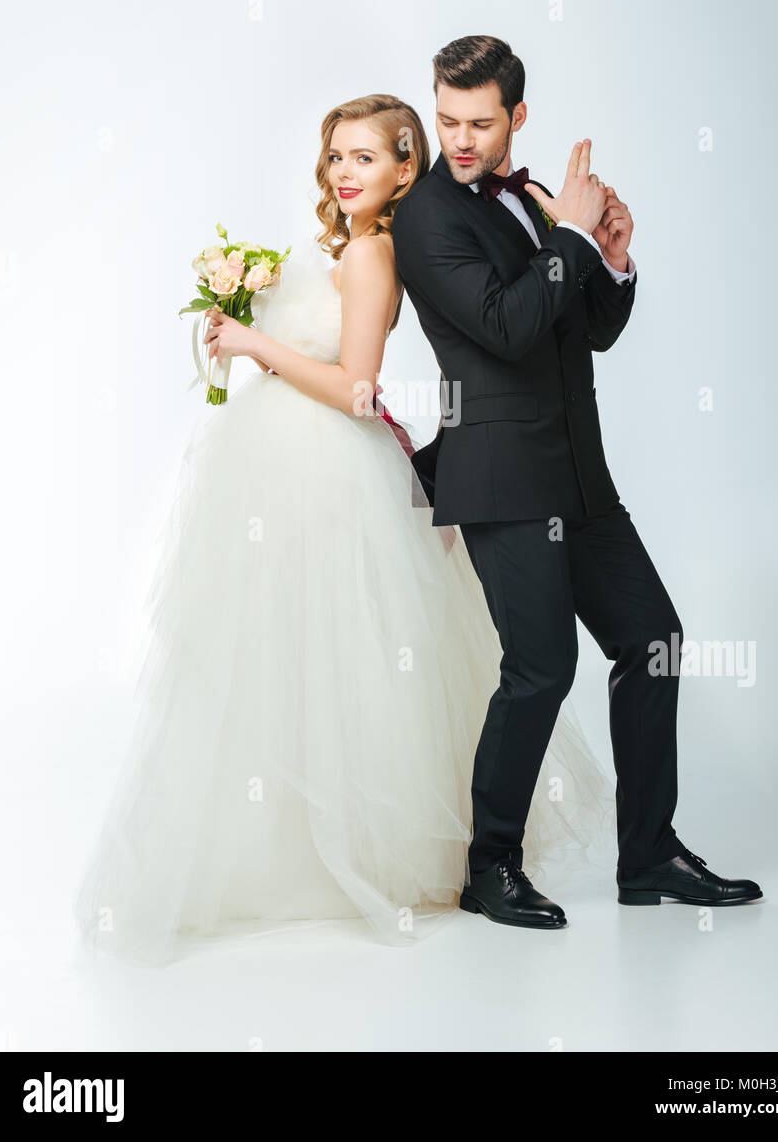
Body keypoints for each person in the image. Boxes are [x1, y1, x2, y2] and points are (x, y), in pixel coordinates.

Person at [72, 93, 615, 966]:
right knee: (289, 661)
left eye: (365, 157)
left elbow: (355, 386)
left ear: (407, 168)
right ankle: (294, 843)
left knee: (337, 657)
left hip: (327, 472)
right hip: (289, 477)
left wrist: (258, 348)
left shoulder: (373, 255)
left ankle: (352, 852)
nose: (343, 172)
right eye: (335, 157)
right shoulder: (348, 250)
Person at [391, 36, 763, 928]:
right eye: (446, 120)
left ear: (517, 115)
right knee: (540, 670)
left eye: (480, 121)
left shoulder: (532, 201)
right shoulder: (426, 218)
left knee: (653, 638)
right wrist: (565, 237)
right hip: (497, 475)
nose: (461, 138)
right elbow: (505, 329)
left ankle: (649, 857)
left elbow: (584, 329)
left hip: (579, 475)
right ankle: (490, 867)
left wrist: (609, 253)